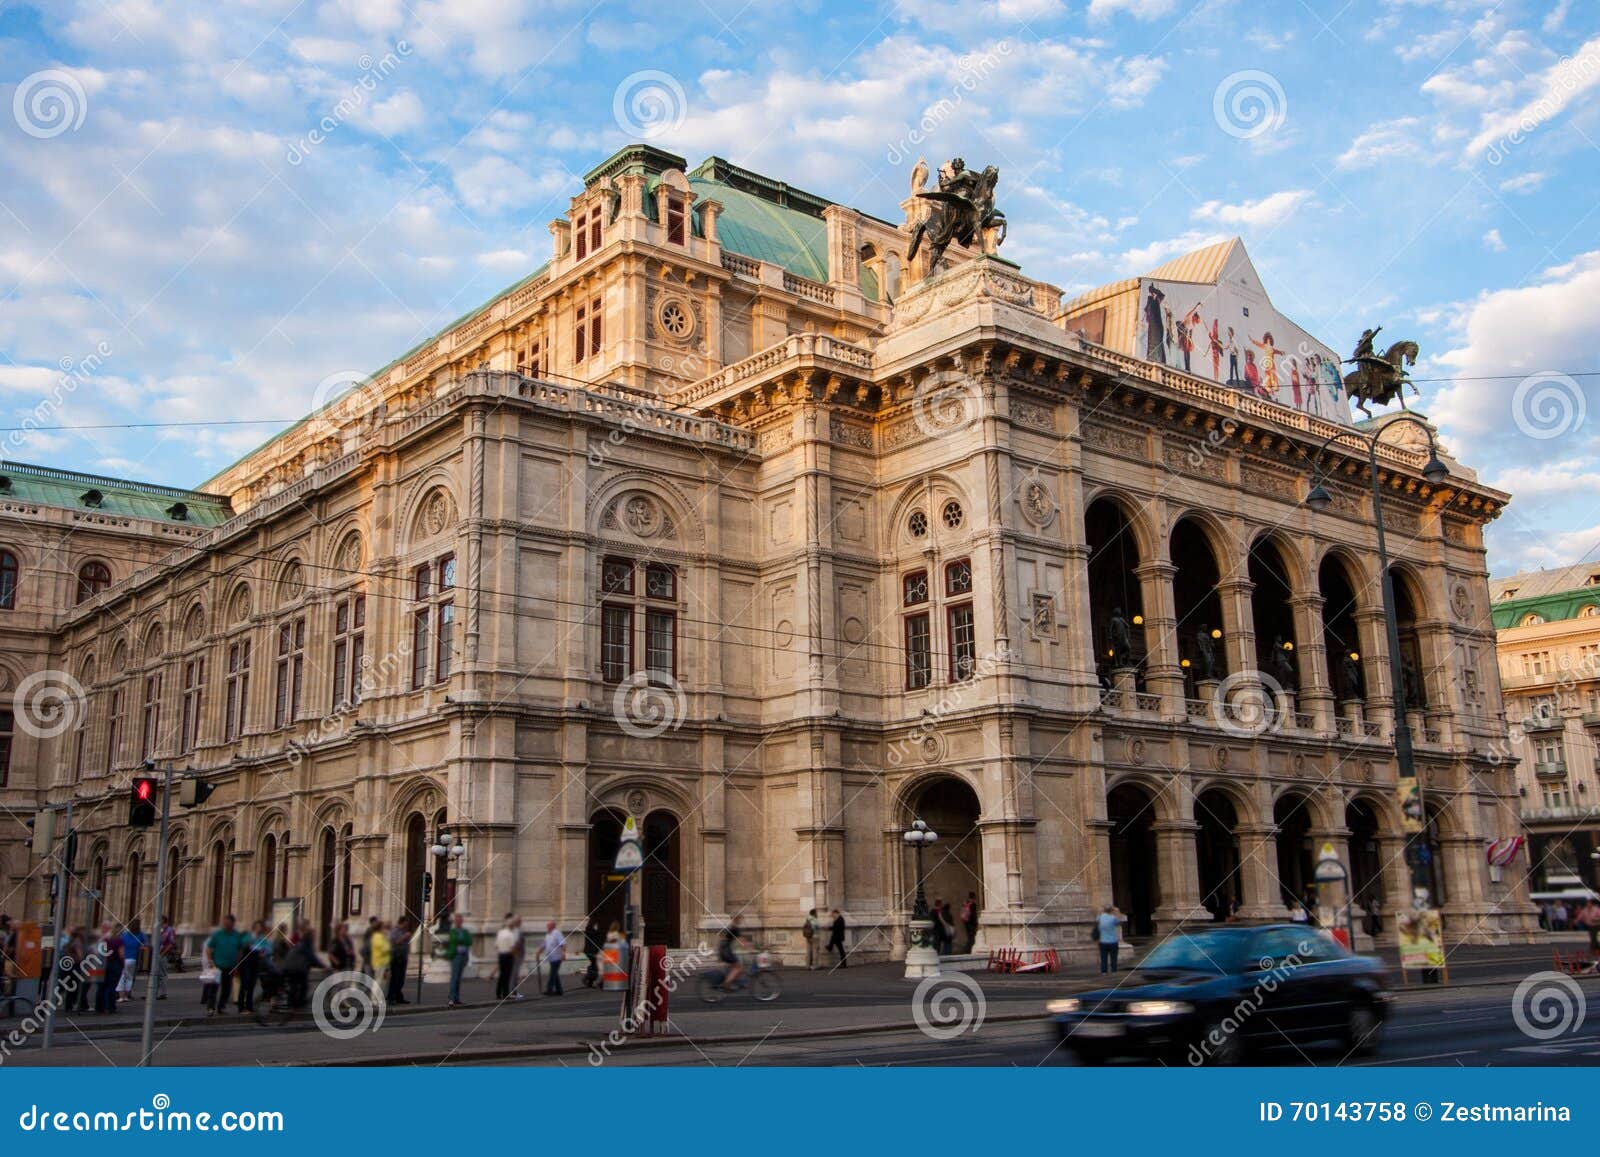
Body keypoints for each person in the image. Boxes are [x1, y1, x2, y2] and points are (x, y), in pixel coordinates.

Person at [283, 921, 320, 1009]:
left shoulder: (304, 942)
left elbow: (311, 957)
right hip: (295, 967)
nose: (315, 937)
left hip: (295, 966)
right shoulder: (306, 943)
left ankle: (294, 1004)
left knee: (297, 985)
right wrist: (324, 966)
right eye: (314, 935)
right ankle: (295, 1005)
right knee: (301, 985)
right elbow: (311, 956)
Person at [94, 922, 125, 1013]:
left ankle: (99, 1007)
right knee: (112, 987)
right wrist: (123, 965)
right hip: (114, 964)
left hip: (102, 964)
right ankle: (111, 1007)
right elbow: (121, 955)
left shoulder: (104, 940)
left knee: (101, 987)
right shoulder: (119, 941)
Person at [445, 913, 472, 1007]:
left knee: (459, 978)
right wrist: (462, 940)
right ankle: (451, 998)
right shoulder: (453, 931)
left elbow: (469, 941)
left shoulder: (464, 931)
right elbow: (454, 940)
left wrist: (461, 940)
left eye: (460, 920)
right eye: (457, 920)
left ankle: (456, 998)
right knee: (454, 977)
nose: (459, 921)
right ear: (455, 921)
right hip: (455, 955)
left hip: (464, 955)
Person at [118, 920, 147, 1002]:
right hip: (133, 958)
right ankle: (127, 995)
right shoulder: (140, 935)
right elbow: (145, 945)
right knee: (129, 978)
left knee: (122, 977)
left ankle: (121, 996)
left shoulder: (124, 935)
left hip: (124, 958)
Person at [495, 914, 520, 1001]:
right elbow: (513, 948)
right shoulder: (510, 934)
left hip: (501, 955)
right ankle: (505, 993)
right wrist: (515, 957)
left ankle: (498, 993)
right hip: (508, 956)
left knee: (502, 975)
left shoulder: (501, 932)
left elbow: (497, 946)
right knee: (507, 976)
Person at [387, 916, 411, 1005]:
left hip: (403, 957)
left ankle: (398, 996)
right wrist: (404, 937)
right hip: (396, 957)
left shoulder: (404, 931)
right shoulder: (395, 931)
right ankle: (391, 997)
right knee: (395, 978)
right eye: (406, 922)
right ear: (402, 922)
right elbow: (394, 942)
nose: (407, 924)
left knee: (401, 979)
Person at [540, 921, 567, 996]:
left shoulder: (557, 933)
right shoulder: (548, 934)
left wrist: (563, 953)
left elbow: (563, 944)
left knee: (552, 973)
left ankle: (549, 989)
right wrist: (538, 952)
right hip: (551, 957)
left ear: (552, 926)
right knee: (555, 974)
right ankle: (559, 990)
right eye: (547, 926)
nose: (547, 927)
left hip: (557, 957)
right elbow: (544, 944)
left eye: (548, 926)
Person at [718, 918, 744, 990]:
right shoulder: (735, 929)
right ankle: (726, 983)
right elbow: (742, 941)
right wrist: (752, 948)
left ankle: (733, 982)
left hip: (724, 949)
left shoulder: (731, 927)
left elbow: (722, 937)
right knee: (738, 967)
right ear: (738, 920)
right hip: (726, 950)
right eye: (741, 920)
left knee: (737, 967)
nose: (741, 921)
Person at [1094, 904, 1121, 974]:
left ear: (1104, 910)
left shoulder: (1100, 917)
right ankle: (1114, 971)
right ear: (1111, 911)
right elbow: (1118, 922)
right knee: (1113, 958)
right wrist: (1117, 911)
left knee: (1103, 957)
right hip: (1113, 941)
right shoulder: (1113, 918)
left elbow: (1097, 919)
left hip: (1103, 941)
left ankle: (1104, 971)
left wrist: (1100, 911)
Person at [368, 918, 391, 997]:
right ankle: (374, 999)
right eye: (383, 927)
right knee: (379, 982)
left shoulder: (381, 936)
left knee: (383, 982)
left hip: (384, 963)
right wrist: (388, 945)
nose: (384, 929)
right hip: (379, 962)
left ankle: (379, 998)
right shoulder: (377, 936)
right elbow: (385, 948)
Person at [582, 920, 602, 989]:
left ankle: (589, 981)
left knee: (594, 965)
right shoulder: (593, 932)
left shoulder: (588, 930)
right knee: (596, 966)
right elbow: (597, 941)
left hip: (589, 951)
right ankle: (588, 978)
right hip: (593, 951)